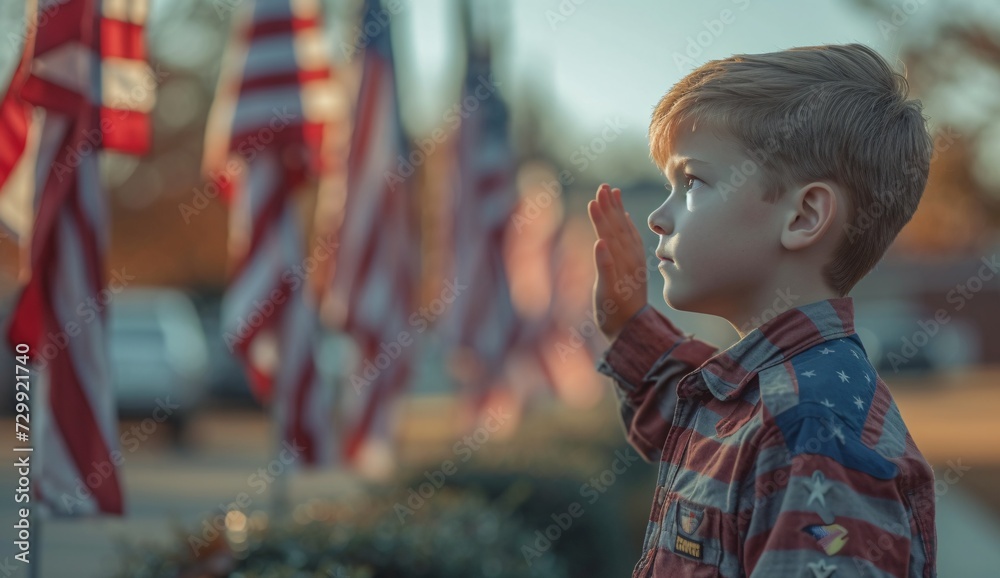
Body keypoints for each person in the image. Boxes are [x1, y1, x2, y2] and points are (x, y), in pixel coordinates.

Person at [588, 43, 936, 578]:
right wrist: (627, 324)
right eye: (667, 186)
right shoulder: (771, 397)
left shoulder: (811, 435)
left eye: (693, 182)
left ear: (803, 215)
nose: (658, 217)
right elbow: (710, 439)